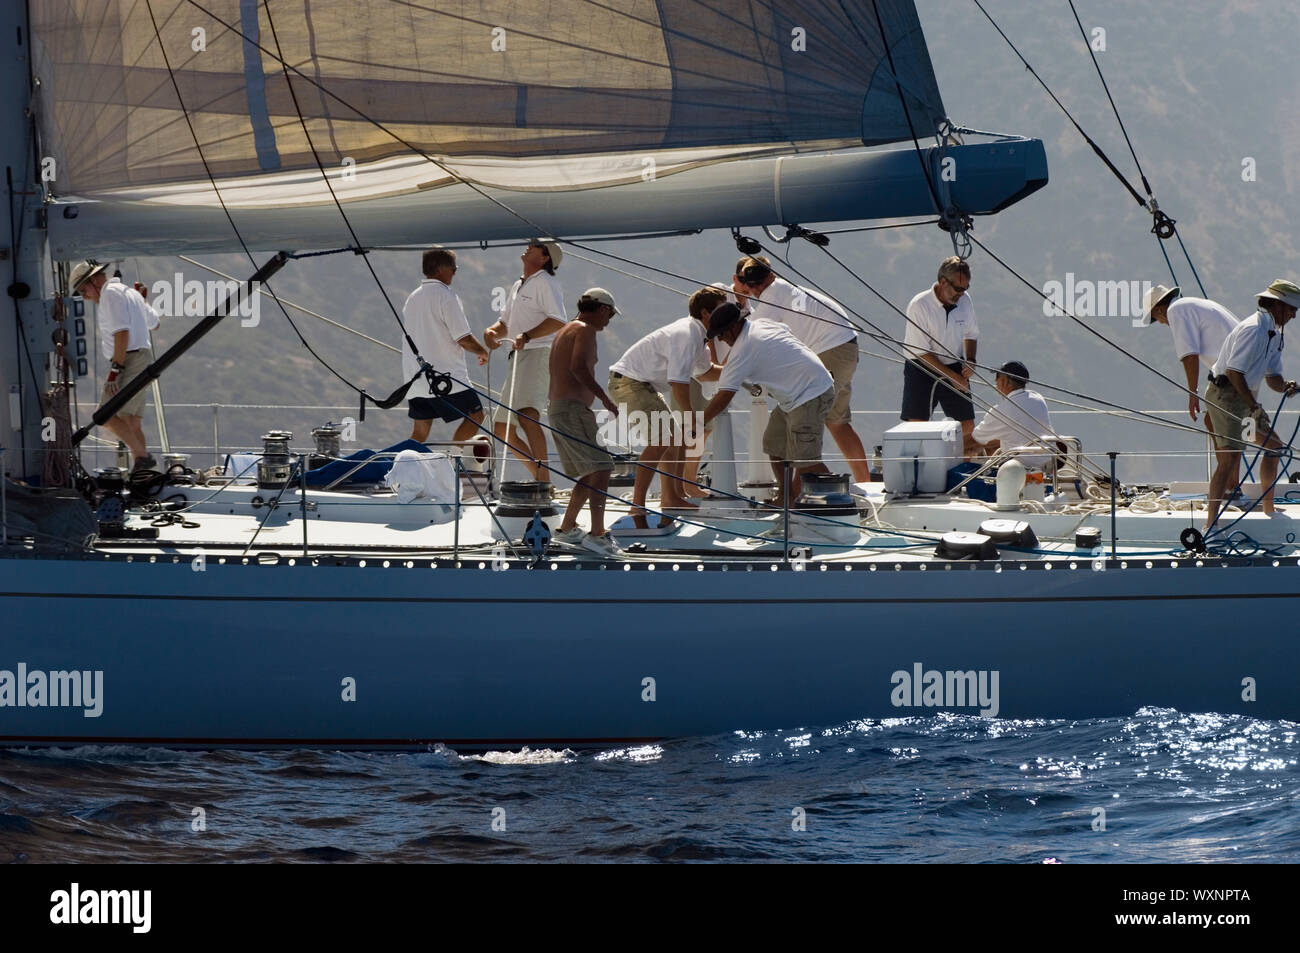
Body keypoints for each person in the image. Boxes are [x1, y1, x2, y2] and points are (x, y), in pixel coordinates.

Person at [734, 257, 871, 481]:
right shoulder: (783, 288)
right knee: (836, 422)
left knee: (802, 418)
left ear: (771, 276)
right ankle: (865, 484)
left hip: (830, 350)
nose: (757, 289)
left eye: (759, 282)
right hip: (844, 347)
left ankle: (796, 494)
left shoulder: (771, 296)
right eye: (751, 285)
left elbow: (746, 337)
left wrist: (740, 298)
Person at [608, 287, 725, 526]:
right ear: (705, 313)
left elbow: (705, 374)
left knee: (676, 438)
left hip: (641, 384)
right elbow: (678, 381)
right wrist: (692, 416)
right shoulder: (688, 334)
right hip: (631, 383)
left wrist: (739, 371)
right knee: (662, 440)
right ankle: (638, 504)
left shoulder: (699, 337)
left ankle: (674, 496)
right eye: (722, 310)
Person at [701, 303, 835, 506]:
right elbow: (786, 335)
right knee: (774, 443)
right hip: (796, 394)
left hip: (811, 394)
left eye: (720, 333)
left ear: (732, 328)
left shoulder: (742, 350)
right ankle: (785, 498)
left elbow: (724, 396)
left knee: (807, 460)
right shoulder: (761, 324)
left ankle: (841, 504)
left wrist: (698, 422)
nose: (720, 339)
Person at [1202, 280, 1300, 530]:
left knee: (1274, 446)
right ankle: (1210, 523)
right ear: (1277, 305)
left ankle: (1269, 508)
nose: (1294, 315)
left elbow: (1272, 378)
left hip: (1245, 398)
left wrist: (1286, 385)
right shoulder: (1253, 329)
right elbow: (1234, 372)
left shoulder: (1274, 335)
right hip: (1226, 395)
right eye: (1291, 309)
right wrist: (1254, 407)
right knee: (1229, 459)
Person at [548, 289, 623, 556]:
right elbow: (578, 367)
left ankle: (567, 529)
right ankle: (597, 535)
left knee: (593, 471)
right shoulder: (585, 330)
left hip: (560, 409)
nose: (609, 321)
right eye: (610, 314)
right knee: (602, 467)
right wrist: (604, 398)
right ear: (602, 309)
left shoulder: (566, 329)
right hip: (572, 410)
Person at [484, 240, 565, 481]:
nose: (529, 246)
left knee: (528, 414)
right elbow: (505, 323)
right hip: (519, 357)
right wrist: (491, 332)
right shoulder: (519, 284)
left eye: (536, 245)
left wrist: (528, 335)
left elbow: (558, 320)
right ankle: (540, 479)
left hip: (539, 353)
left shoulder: (546, 282)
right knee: (502, 429)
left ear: (545, 258)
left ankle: (543, 483)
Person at [72, 260, 159, 471]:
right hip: (141, 357)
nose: (85, 297)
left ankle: (142, 457)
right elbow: (155, 324)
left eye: (83, 290)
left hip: (128, 360)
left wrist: (114, 371)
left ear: (94, 280)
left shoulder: (110, 293)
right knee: (131, 420)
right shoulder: (130, 292)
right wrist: (143, 302)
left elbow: (122, 333)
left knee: (106, 416)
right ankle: (143, 474)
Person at [401, 248, 490, 444]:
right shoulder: (446, 296)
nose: (455, 272)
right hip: (446, 379)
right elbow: (463, 338)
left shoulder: (412, 298)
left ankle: (401, 469)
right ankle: (453, 461)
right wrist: (483, 351)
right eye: (453, 267)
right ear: (441, 268)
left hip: (416, 381)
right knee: (476, 415)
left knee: (420, 433)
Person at [902, 256, 979, 446]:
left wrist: (970, 359)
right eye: (958, 289)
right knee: (917, 426)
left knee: (967, 426)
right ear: (943, 281)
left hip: (953, 362)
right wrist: (954, 378)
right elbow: (922, 352)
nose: (961, 294)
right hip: (921, 366)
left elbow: (971, 333)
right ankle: (922, 470)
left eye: (965, 289)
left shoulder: (965, 300)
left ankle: (962, 470)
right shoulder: (919, 305)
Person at [1140, 284, 1239, 431]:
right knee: (1212, 422)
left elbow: (1190, 356)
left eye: (1156, 318)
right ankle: (1268, 446)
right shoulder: (1190, 305)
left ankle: (1273, 446)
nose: (1161, 322)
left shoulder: (1175, 311)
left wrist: (1193, 393)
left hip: (1231, 370)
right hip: (1240, 363)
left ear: (1158, 310)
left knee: (1234, 423)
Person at [969, 361, 1054, 469]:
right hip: (1047, 464)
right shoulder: (1038, 398)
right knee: (994, 444)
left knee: (975, 447)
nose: (995, 381)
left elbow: (975, 439)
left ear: (1005, 381)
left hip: (1020, 469)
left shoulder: (1001, 411)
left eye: (997, 377)